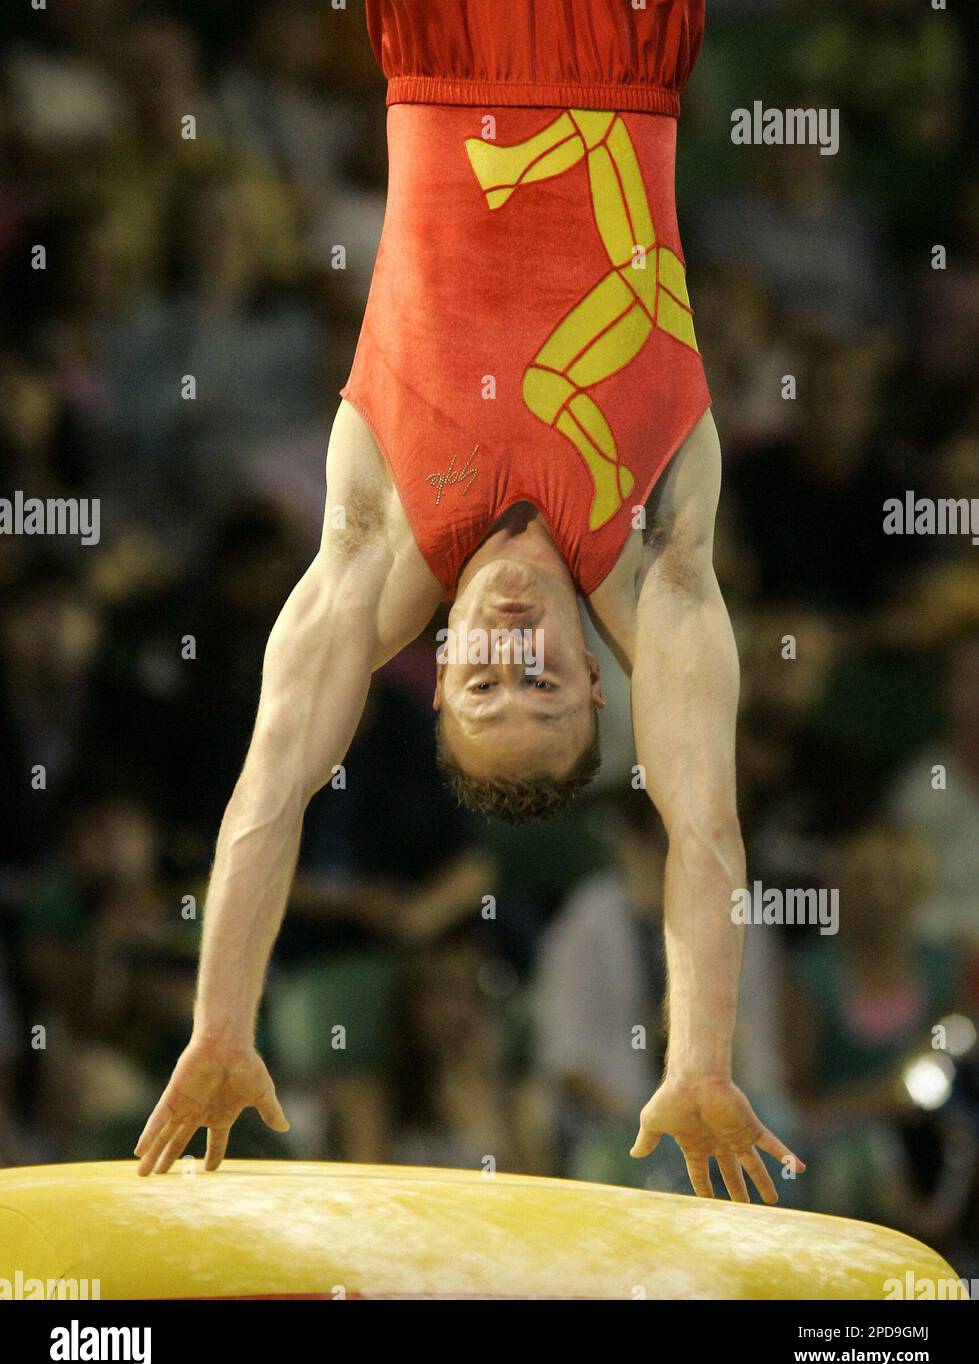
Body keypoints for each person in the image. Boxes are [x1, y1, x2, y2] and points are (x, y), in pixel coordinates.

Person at [136, 0, 804, 1203]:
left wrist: (220, 1023)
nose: (506, 644)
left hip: (441, 40)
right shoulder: (658, 565)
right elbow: (702, 828)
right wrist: (699, 1054)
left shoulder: (377, 538)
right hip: (622, 44)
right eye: (540, 678)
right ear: (603, 678)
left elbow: (270, 789)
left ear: (433, 668)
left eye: (481, 679)